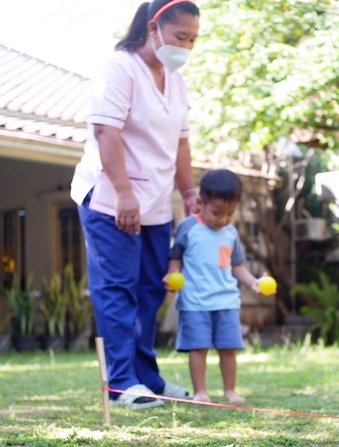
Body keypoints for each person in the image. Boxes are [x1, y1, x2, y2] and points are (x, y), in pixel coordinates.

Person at [70, 0, 200, 409]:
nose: (187, 47)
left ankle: (147, 378)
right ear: (154, 27)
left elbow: (180, 143)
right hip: (112, 198)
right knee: (118, 289)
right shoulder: (119, 68)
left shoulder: (175, 82)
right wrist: (124, 193)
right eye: (181, 37)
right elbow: (107, 133)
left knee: (150, 290)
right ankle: (122, 382)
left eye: (193, 40)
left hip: (157, 203)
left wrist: (190, 191)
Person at [166, 169, 262, 404]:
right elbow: (175, 256)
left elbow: (237, 265)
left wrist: (253, 282)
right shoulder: (188, 228)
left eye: (230, 214)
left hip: (226, 301)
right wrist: (172, 275)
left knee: (228, 347)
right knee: (198, 348)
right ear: (200, 203)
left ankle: (230, 390)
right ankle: (201, 391)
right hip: (194, 301)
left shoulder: (230, 233)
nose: (223, 219)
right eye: (217, 212)